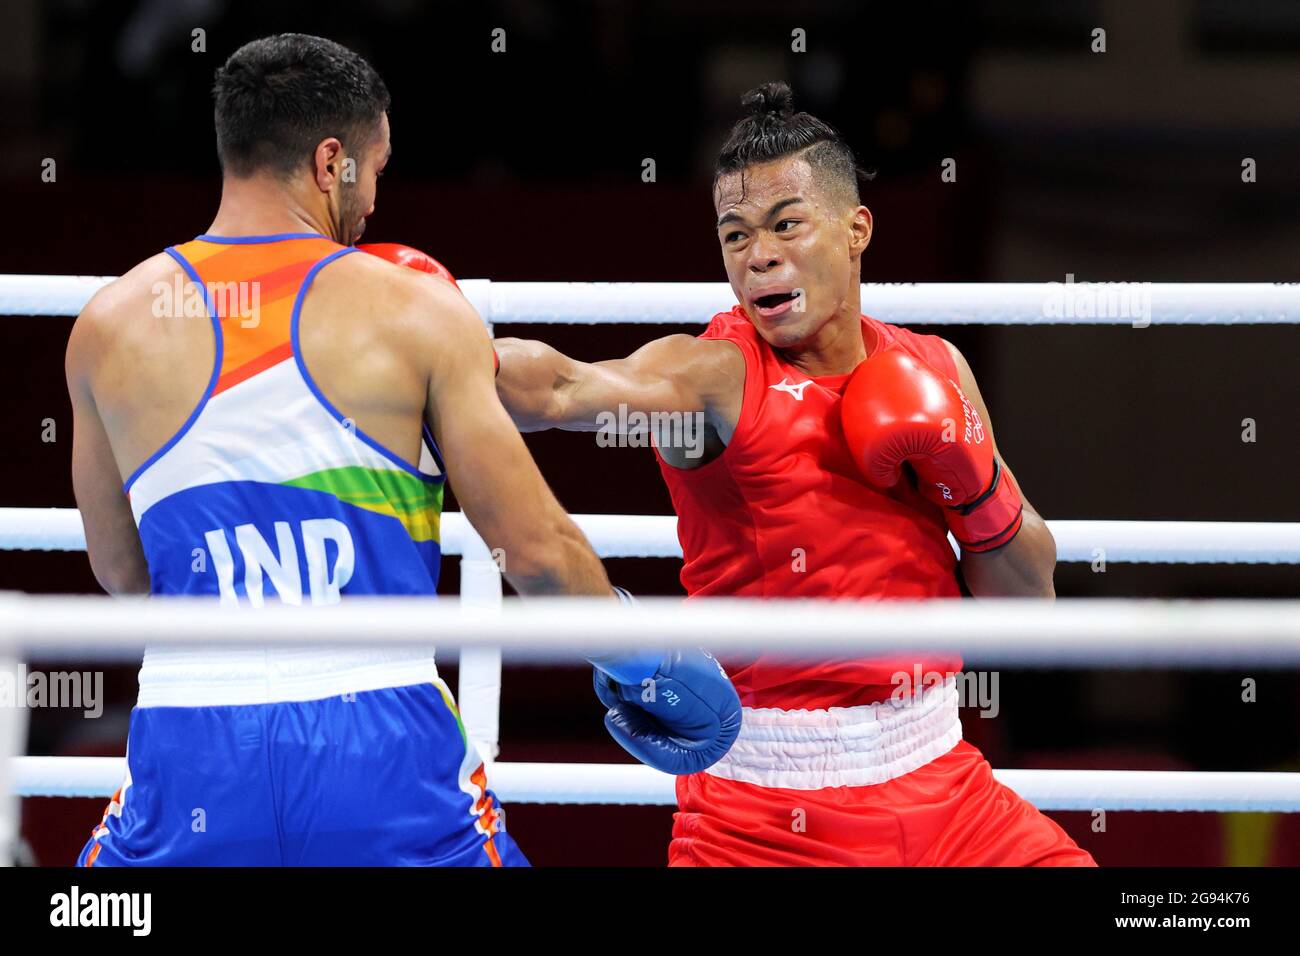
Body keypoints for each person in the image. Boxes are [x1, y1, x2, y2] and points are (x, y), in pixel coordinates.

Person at [63, 33, 737, 867]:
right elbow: (530, 550)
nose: (376, 200)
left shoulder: (105, 327)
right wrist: (643, 655)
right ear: (331, 161)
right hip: (375, 737)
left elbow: (124, 575)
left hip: (191, 738)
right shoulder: (414, 309)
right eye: (377, 169)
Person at [494, 82, 1095, 866]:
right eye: (735, 235)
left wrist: (972, 485)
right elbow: (563, 387)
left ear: (856, 229)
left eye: (785, 224)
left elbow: (1027, 605)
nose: (759, 255)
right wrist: (425, 351)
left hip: (947, 787)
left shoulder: (935, 367)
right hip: (767, 816)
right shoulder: (712, 376)